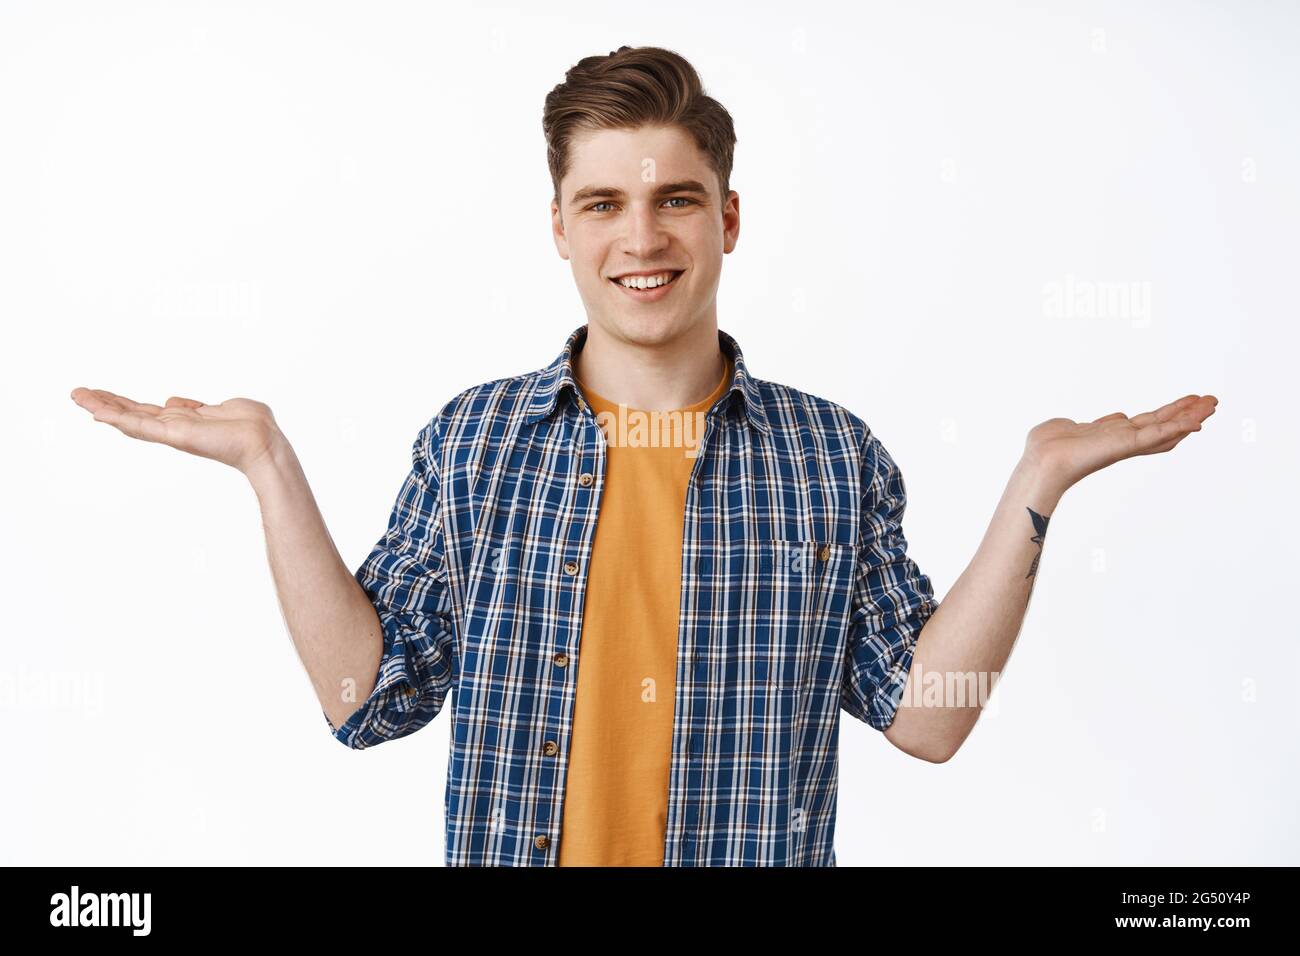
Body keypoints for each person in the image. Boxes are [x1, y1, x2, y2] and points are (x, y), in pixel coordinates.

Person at [69, 45, 1217, 867]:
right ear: (559, 226)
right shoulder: (475, 443)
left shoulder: (830, 457)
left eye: (676, 198)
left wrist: (1034, 488)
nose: (642, 237)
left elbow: (927, 717)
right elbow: (365, 701)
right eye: (604, 201)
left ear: (727, 217)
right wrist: (271, 467)